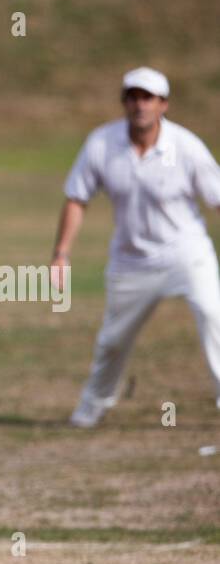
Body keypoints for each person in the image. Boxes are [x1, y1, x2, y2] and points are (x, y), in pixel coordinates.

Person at [51, 67, 220, 427]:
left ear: (163, 105)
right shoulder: (101, 144)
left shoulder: (186, 147)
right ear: (124, 102)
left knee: (213, 317)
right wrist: (61, 254)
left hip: (185, 253)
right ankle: (91, 408)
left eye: (148, 98)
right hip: (131, 261)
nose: (139, 105)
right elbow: (76, 198)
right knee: (112, 341)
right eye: (133, 97)